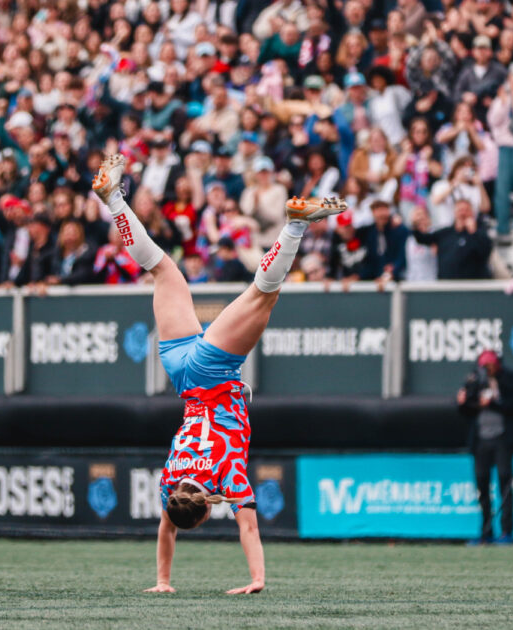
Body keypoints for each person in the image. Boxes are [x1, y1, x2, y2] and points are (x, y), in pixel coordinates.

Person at [91, 155, 345, 595]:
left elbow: (248, 527)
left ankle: (295, 224)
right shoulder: (170, 481)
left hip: (212, 373)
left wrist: (257, 579)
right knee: (163, 269)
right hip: (180, 371)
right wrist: (162, 582)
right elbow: (166, 528)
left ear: (208, 510)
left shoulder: (226, 477)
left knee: (264, 294)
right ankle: (113, 199)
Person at [457, 350, 513, 545]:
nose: (487, 370)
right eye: (484, 366)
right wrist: (463, 402)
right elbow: (467, 410)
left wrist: (493, 403)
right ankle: (485, 532)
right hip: (481, 441)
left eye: (490, 365)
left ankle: (506, 532)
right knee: (482, 485)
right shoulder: (475, 380)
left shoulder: (509, 379)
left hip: (502, 439)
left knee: (505, 483)